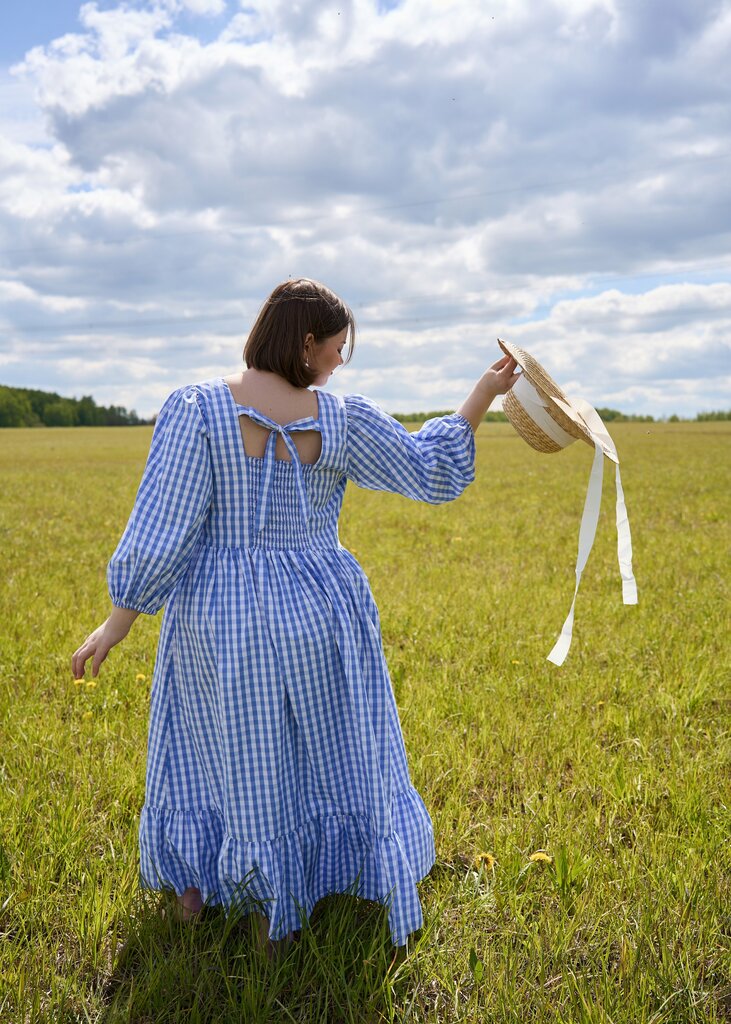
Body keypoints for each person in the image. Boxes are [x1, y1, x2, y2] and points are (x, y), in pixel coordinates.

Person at [71, 278, 519, 961]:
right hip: (320, 606)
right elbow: (430, 472)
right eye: (337, 350)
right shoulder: (339, 419)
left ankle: (208, 889)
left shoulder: (198, 410)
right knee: (324, 749)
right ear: (305, 343)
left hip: (220, 616)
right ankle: (305, 887)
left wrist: (117, 620)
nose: (341, 363)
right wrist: (481, 396)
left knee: (211, 746)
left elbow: (162, 529)